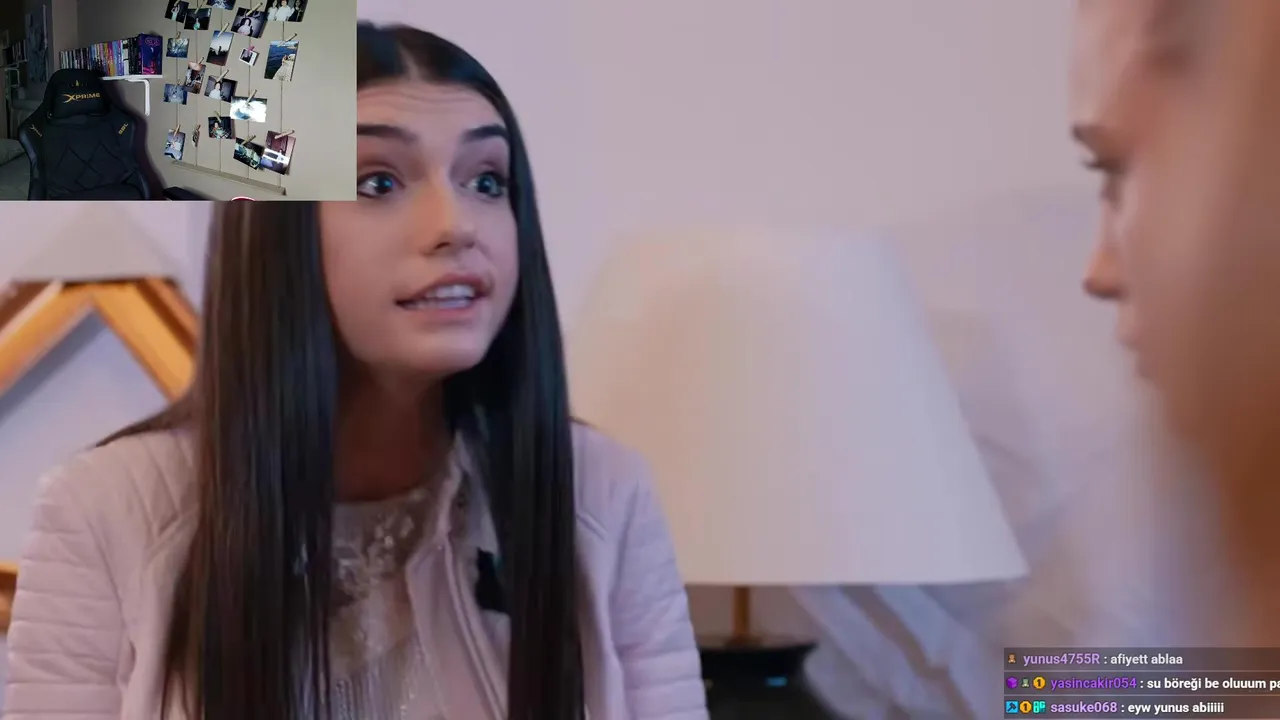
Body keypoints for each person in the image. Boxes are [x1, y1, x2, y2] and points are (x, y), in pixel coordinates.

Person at [2, 22, 706, 720]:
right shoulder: (105, 511)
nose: (456, 225)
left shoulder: (602, 496)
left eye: (487, 181)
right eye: (378, 181)